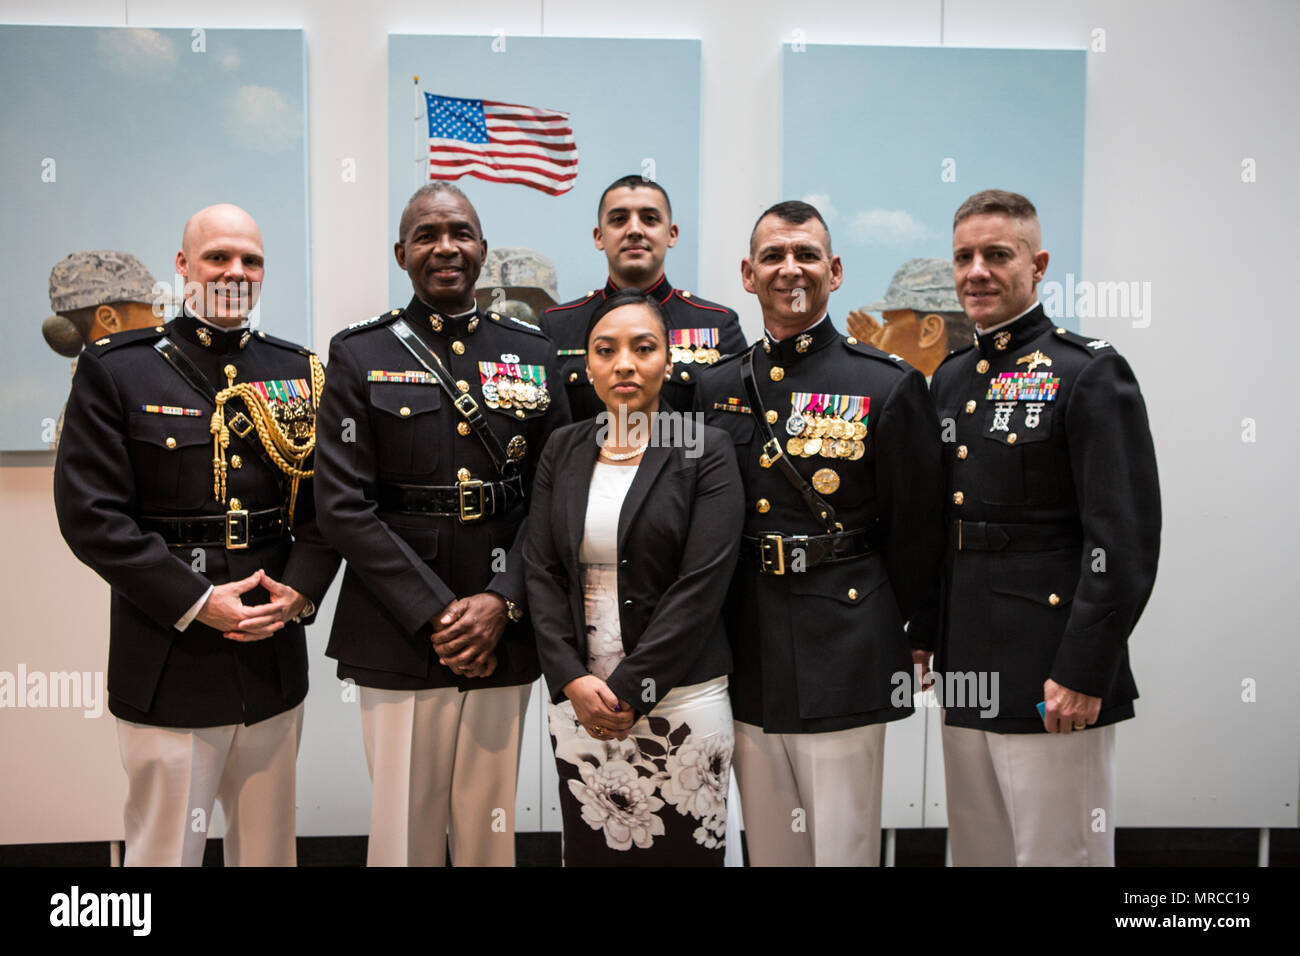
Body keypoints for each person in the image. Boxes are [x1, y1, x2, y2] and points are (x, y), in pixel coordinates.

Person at [53, 204, 339, 866]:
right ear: (183, 266)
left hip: (270, 654)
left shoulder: (298, 371)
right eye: (218, 257)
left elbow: (325, 510)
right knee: (163, 852)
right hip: (168, 653)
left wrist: (297, 594)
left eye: (252, 259)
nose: (236, 271)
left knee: (267, 852)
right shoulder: (118, 368)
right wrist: (198, 600)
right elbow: (92, 515)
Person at [313, 183, 570, 866]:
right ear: (402, 254)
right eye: (427, 234)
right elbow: (341, 506)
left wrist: (503, 600)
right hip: (397, 627)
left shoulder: (534, 354)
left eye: (460, 232)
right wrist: (436, 613)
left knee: (490, 833)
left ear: (483, 250)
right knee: (403, 834)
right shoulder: (358, 355)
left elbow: (556, 494)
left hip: (503, 627)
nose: (446, 247)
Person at [696, 200, 945, 866]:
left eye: (806, 254)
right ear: (748, 275)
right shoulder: (713, 388)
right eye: (774, 256)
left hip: (847, 642)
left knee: (841, 846)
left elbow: (918, 526)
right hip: (747, 643)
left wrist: (918, 634)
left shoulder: (884, 385)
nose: (791, 268)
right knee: (772, 848)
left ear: (833, 271)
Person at [921, 189, 1161, 866]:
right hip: (969, 664)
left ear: (1038, 263)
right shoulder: (951, 379)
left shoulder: (1086, 372)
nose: (976, 271)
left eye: (998, 254)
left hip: (1053, 672)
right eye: (964, 256)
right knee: (979, 851)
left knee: (1061, 854)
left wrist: (1085, 667)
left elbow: (1124, 541)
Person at [523, 288, 744, 865]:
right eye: (606, 349)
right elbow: (541, 570)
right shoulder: (563, 448)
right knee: (595, 850)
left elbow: (702, 584)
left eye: (643, 348)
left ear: (668, 361)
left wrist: (627, 689)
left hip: (681, 700)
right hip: (580, 705)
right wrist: (572, 678)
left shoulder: (705, 449)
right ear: (587, 364)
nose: (624, 363)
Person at [544, 175, 747, 421]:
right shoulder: (556, 325)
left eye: (649, 219)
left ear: (672, 234)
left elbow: (733, 427)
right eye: (619, 220)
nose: (635, 230)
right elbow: (549, 428)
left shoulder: (718, 325)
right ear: (599, 237)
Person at [845, 257, 975, 379]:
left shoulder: (921, 395)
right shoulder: (965, 386)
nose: (874, 337)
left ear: (928, 331)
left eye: (887, 322)